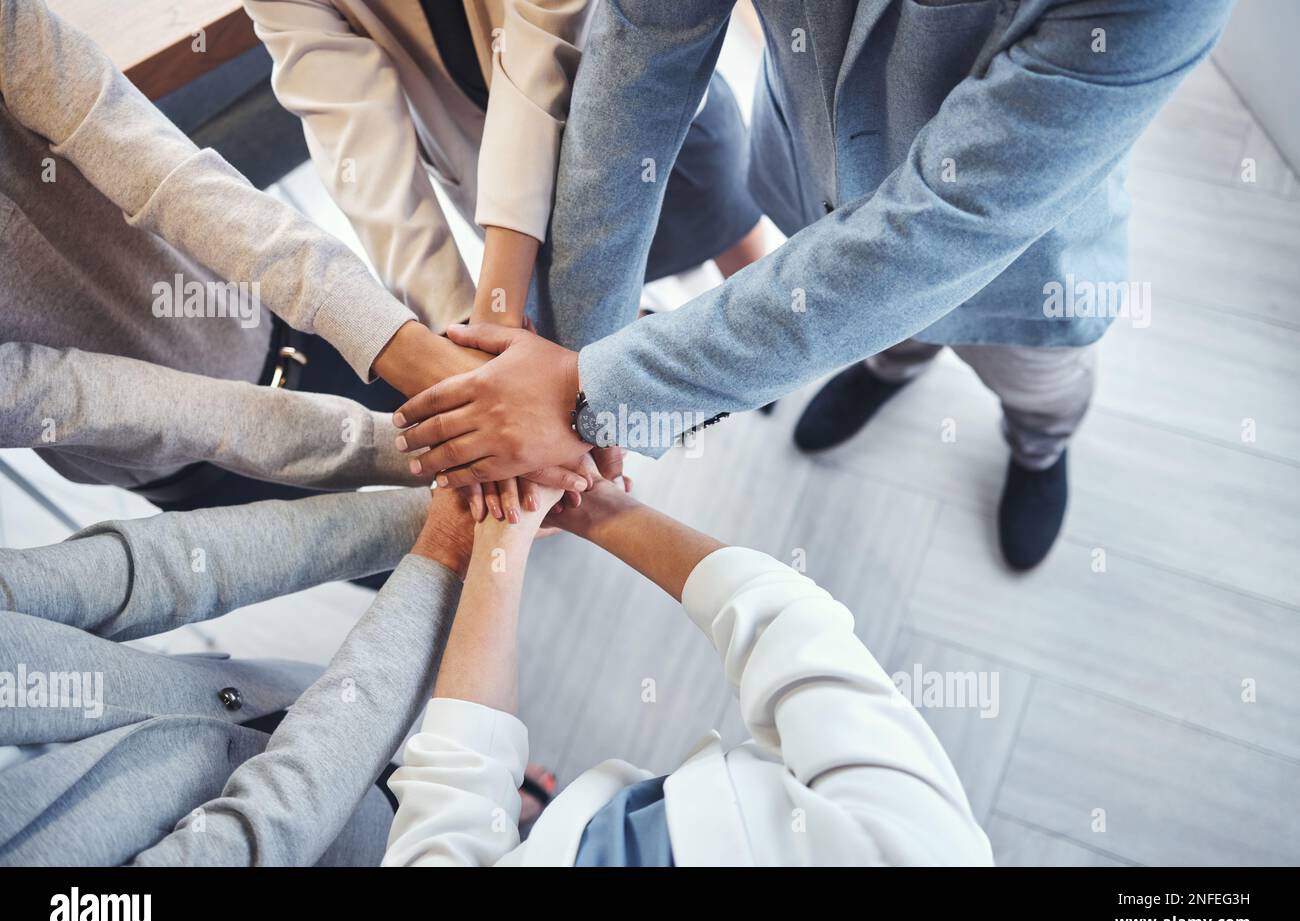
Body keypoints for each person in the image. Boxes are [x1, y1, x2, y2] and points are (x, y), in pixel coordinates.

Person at [390, 0, 1236, 570]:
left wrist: (588, 391)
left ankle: (1038, 449)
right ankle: (888, 369)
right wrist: (577, 352)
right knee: (884, 332)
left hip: (1023, 268)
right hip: (819, 183)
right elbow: (646, 39)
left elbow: (944, 222)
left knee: (1041, 389)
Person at [0, 0, 584, 513]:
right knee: (416, 557)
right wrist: (467, 411)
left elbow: (149, 160)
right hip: (180, 452)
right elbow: (55, 392)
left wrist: (465, 353)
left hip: (270, 316)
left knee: (494, 500)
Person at [242, 0, 769, 519]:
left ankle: (763, 367)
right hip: (485, 155)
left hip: (636, 97)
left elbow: (547, 28)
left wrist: (494, 329)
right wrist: (470, 347)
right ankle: (666, 356)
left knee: (726, 228)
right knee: (572, 321)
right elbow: (353, 134)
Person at [383, 476, 991, 866]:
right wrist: (589, 503)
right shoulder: (920, 848)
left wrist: (507, 526)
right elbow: (787, 631)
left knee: (393, 808)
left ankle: (524, 817)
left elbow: (448, 808)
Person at [0, 487, 475, 866]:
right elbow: (256, 842)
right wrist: (444, 554)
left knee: (455, 780)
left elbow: (137, 573)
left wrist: (433, 512)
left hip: (258, 709)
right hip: (342, 840)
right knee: (449, 831)